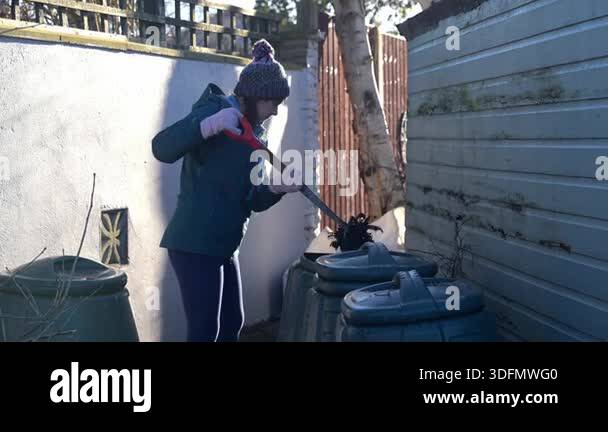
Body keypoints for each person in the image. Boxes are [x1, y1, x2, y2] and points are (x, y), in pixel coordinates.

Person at [151, 39, 301, 342]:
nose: (274, 111)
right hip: (195, 242)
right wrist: (210, 125)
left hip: (224, 244)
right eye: (272, 102)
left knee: (233, 322)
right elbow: (162, 148)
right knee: (205, 331)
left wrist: (276, 188)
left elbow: (252, 200)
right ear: (254, 95)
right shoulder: (215, 112)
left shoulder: (257, 137)